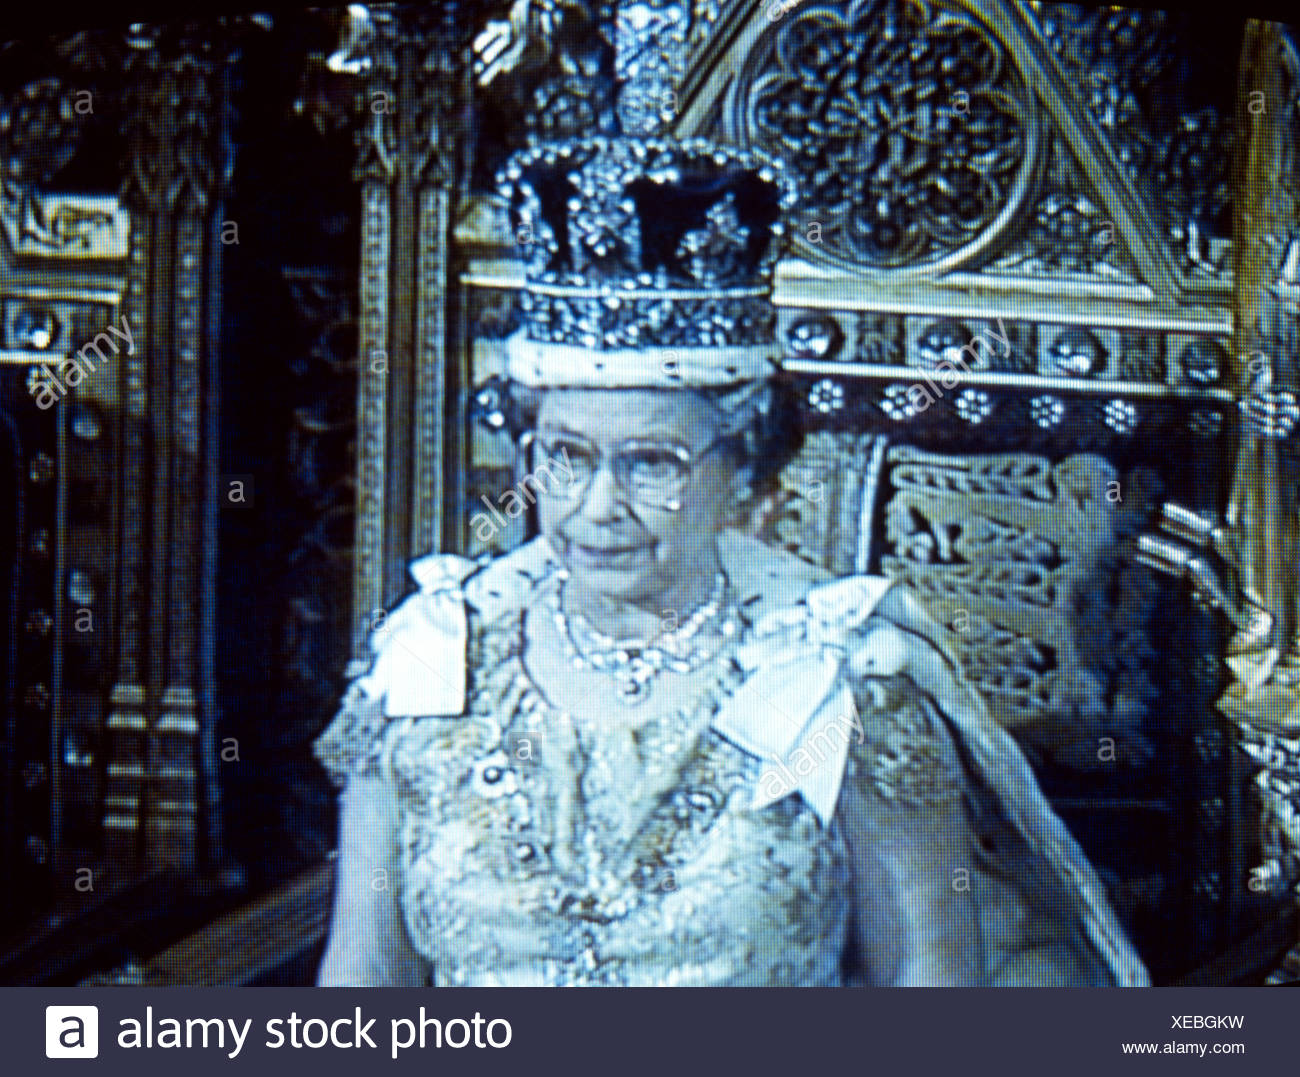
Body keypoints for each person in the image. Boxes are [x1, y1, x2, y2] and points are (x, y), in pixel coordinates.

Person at [314, 135, 1149, 986]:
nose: (599, 506)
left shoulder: (845, 687)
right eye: (566, 456)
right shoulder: (430, 669)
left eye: (651, 463)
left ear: (744, 469)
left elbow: (931, 987)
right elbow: (363, 981)